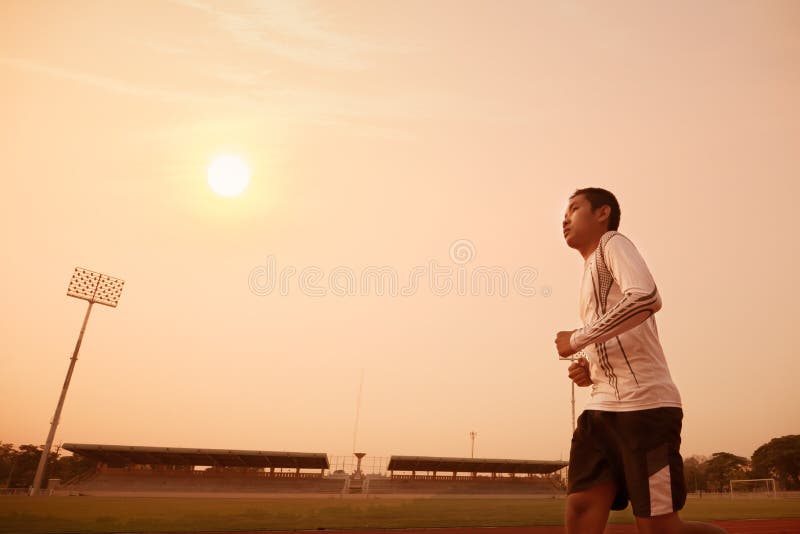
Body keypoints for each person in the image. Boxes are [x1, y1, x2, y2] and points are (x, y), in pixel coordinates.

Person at [556, 188, 727, 534]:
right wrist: (590, 367)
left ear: (602, 213)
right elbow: (617, 332)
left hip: (646, 411)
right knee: (581, 507)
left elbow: (646, 297)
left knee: (659, 528)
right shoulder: (588, 270)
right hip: (600, 410)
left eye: (574, 208)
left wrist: (576, 339)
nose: (565, 217)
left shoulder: (612, 244)